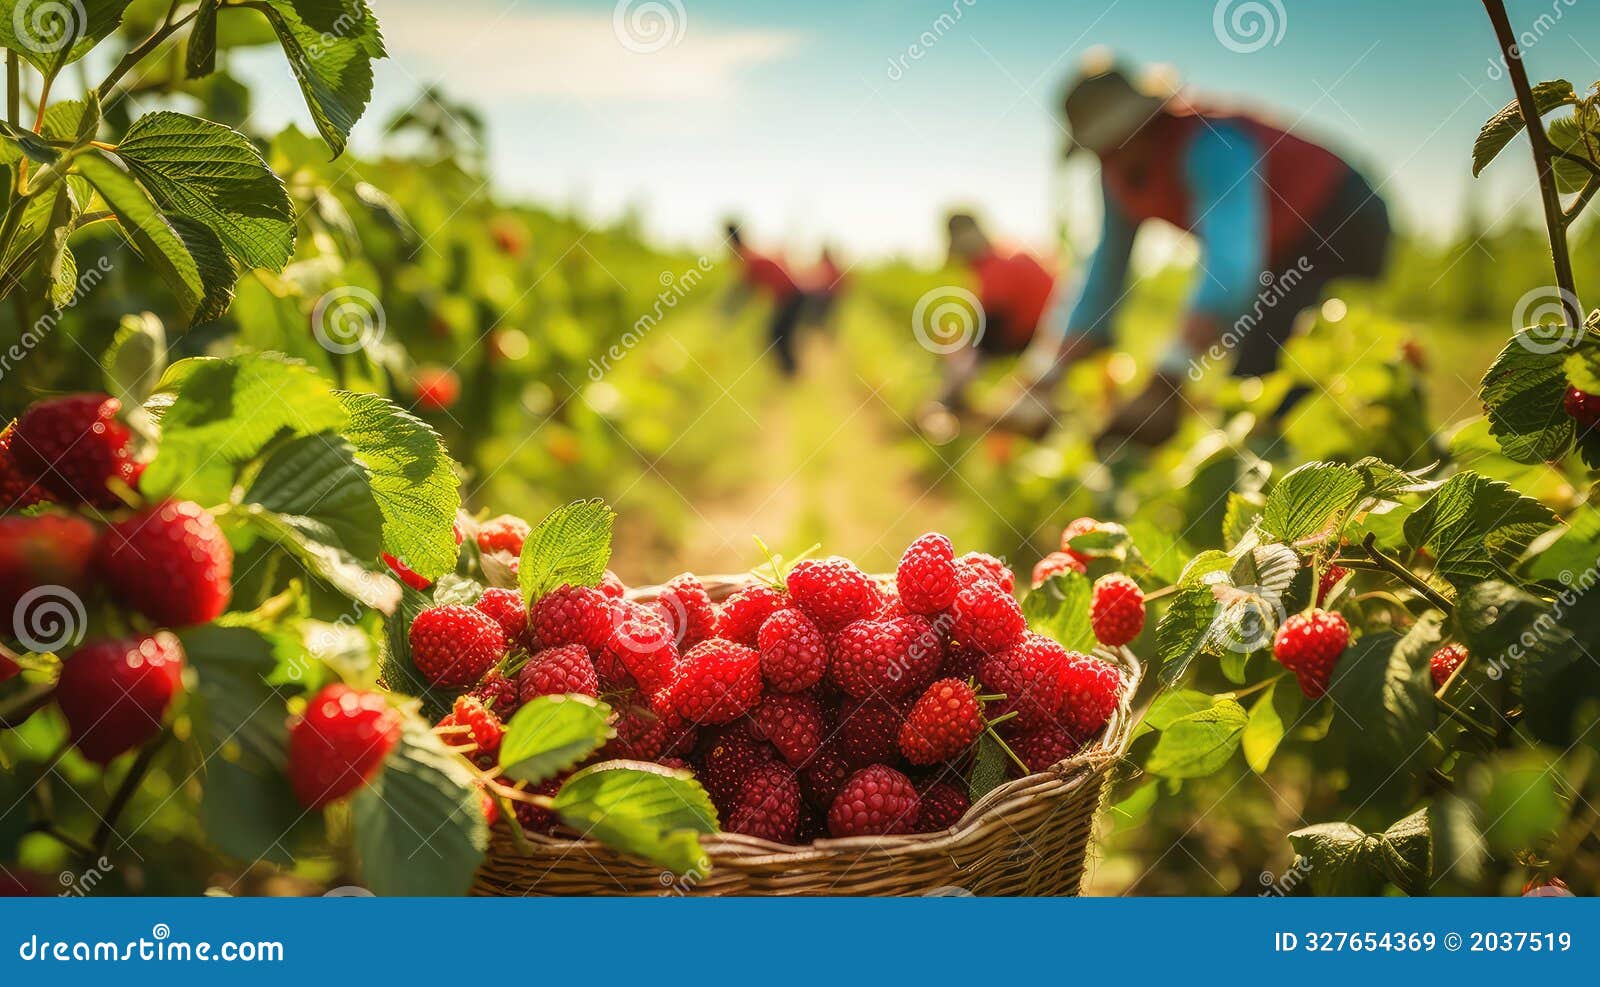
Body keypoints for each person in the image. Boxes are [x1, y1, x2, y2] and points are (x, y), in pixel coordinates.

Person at [1003, 56, 1391, 448]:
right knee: (1262, 367)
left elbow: (1231, 268)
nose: (1109, 157)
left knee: (1266, 372)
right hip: (1276, 245)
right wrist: (1046, 375)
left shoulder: (1211, 143)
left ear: (1145, 123)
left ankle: (1326, 467)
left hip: (1339, 216)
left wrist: (1168, 377)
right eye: (1101, 147)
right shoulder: (1117, 173)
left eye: (1118, 138)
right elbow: (1103, 275)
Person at [933, 213, 1059, 412]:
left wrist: (967, 354)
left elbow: (994, 318)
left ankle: (949, 405)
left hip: (1045, 335)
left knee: (964, 356)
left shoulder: (994, 266)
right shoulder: (1003, 258)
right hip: (1041, 332)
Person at [724, 223, 806, 376]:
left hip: (792, 296)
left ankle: (791, 373)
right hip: (790, 296)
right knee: (779, 334)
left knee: (776, 335)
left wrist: (728, 312)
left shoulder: (747, 259)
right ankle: (790, 372)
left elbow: (744, 291)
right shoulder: (750, 255)